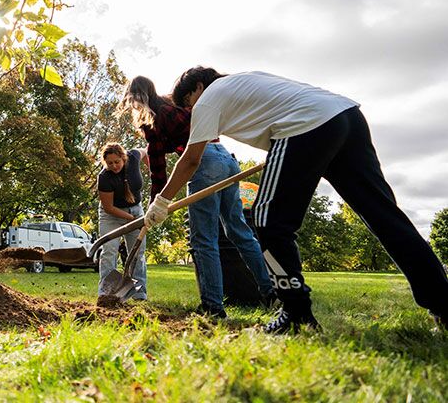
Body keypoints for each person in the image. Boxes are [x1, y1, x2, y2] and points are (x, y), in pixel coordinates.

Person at [146, 67, 448, 333]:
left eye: (188, 103)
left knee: (267, 219)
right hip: (347, 116)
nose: (191, 111)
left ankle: (295, 312)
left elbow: (190, 161)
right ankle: (443, 304)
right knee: (383, 215)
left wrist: (161, 202)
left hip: (305, 126)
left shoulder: (209, 98)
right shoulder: (247, 80)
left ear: (197, 88)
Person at [119, 76, 274, 318]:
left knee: (204, 239)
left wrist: (155, 204)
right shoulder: (176, 104)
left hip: (204, 164)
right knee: (239, 231)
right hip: (226, 158)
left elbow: (158, 168)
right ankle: (271, 293)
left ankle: (213, 306)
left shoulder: (153, 120)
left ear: (135, 99)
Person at [96, 142, 147, 300]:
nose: (114, 166)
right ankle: (106, 294)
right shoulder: (104, 178)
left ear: (123, 158)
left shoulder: (133, 156)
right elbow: (109, 207)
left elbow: (146, 150)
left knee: (137, 252)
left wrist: (152, 168)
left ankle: (139, 294)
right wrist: (132, 219)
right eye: (110, 163)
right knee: (109, 252)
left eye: (117, 162)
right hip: (111, 216)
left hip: (136, 209)